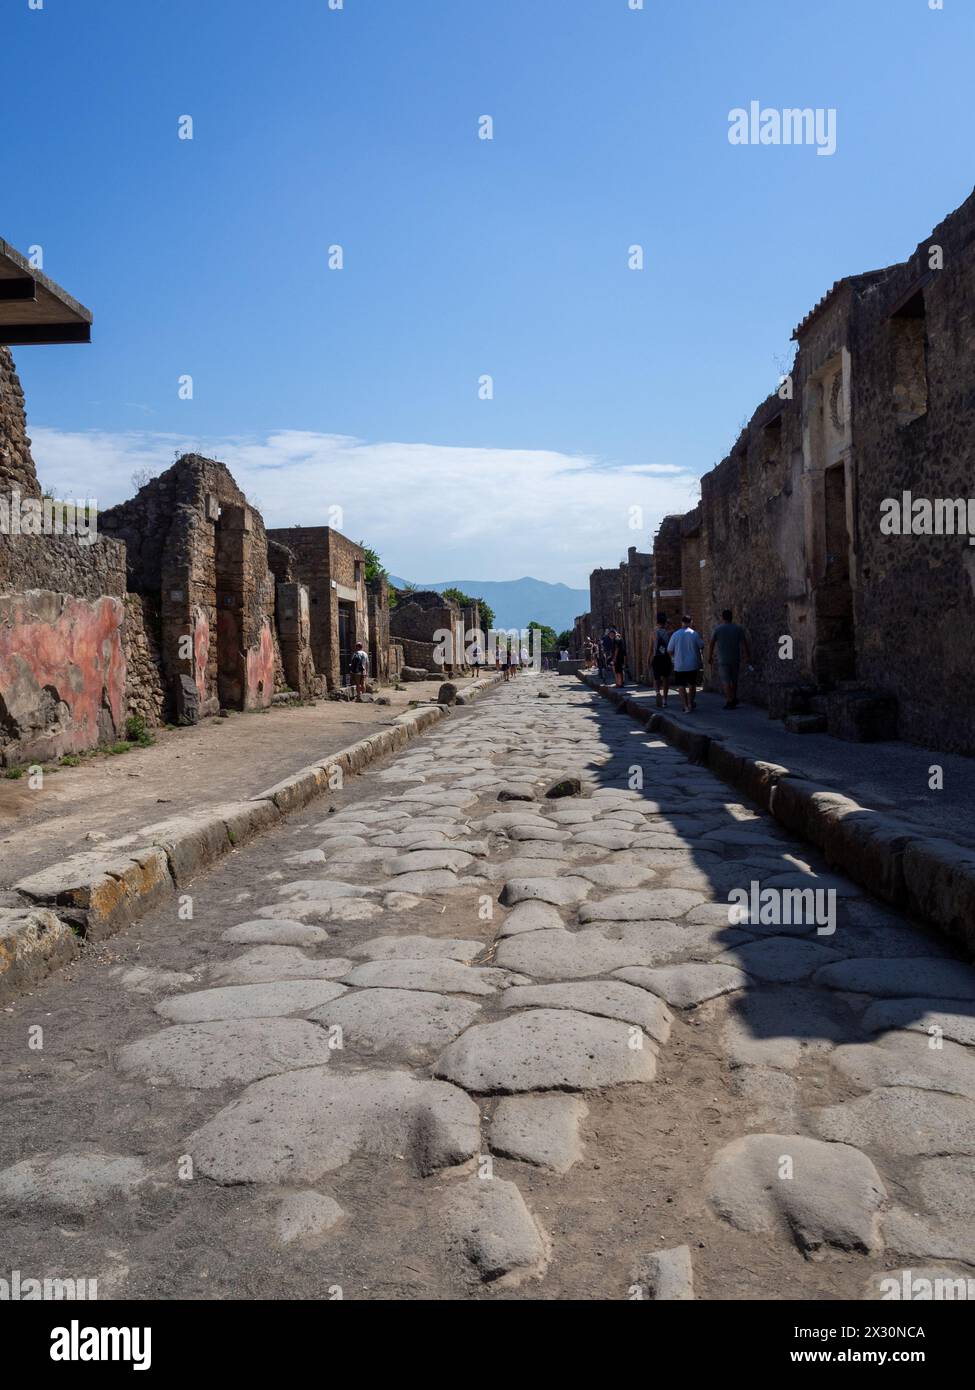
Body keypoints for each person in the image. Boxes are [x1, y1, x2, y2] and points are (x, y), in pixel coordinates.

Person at [708, 608, 751, 709]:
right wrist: (747, 655)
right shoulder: (738, 629)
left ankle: (729, 700)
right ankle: (734, 697)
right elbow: (744, 643)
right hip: (735, 658)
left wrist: (710, 657)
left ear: (722, 618)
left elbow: (711, 643)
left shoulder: (718, 629)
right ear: (732, 617)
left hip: (723, 659)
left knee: (726, 681)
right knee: (734, 680)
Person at [667, 615, 705, 712]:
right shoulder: (694, 634)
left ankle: (685, 706)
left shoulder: (675, 634)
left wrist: (674, 658)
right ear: (691, 622)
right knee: (692, 685)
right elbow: (701, 645)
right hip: (692, 664)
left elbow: (669, 650)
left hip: (679, 664)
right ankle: (690, 703)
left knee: (681, 686)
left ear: (682, 622)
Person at [650, 611, 673, 709]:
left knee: (656, 678)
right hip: (666, 657)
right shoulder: (669, 633)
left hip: (656, 657)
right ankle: (665, 700)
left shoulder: (653, 633)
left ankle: (657, 692)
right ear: (665, 623)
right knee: (666, 679)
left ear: (657, 623)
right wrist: (670, 623)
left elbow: (650, 648)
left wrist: (648, 659)